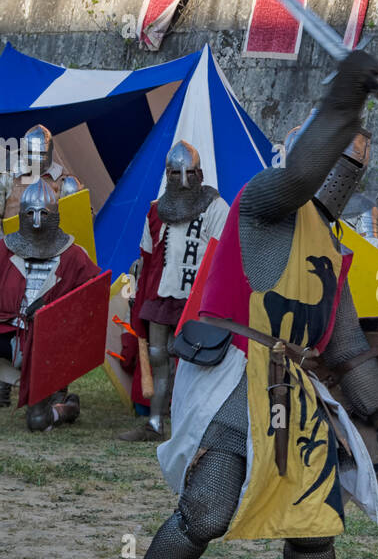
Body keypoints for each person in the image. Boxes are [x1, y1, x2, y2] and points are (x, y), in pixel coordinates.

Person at [94, 52, 378, 559]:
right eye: (339, 158)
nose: (344, 172)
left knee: (315, 518)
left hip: (292, 388)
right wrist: (345, 100)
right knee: (208, 510)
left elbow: (347, 348)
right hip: (235, 375)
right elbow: (301, 176)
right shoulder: (262, 203)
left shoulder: (331, 247)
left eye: (356, 166)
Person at [120, 142, 228, 442]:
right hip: (161, 296)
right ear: (167, 174)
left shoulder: (216, 208)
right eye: (175, 173)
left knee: (192, 362)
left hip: (196, 301)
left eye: (189, 173)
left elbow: (223, 256)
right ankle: (155, 423)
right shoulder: (157, 211)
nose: (182, 180)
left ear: (200, 173)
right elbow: (147, 256)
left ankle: (186, 424)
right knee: (157, 357)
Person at [0, 178, 100, 429]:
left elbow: (92, 302)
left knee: (37, 422)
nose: (36, 221)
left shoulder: (74, 256)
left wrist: (52, 311)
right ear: (22, 215)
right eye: (30, 213)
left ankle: (66, 408)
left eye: (43, 213)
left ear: (54, 215)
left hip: (47, 346)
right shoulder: (4, 250)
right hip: (9, 333)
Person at [1, 125, 77, 220]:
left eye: (41, 154)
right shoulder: (7, 179)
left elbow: (76, 222)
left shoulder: (66, 184)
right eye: (32, 153)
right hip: (11, 234)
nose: (37, 160)